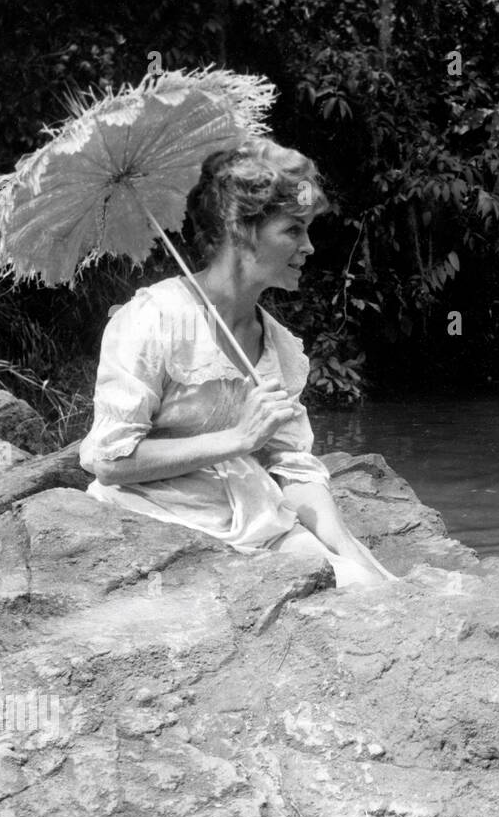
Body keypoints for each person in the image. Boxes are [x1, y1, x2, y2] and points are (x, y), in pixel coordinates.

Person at [78, 139, 392, 588]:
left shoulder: (279, 347)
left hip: (253, 517)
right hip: (153, 523)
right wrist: (238, 438)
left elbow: (291, 467)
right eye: (293, 230)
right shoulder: (155, 320)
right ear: (241, 231)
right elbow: (110, 460)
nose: (309, 248)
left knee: (365, 585)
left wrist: (343, 546)